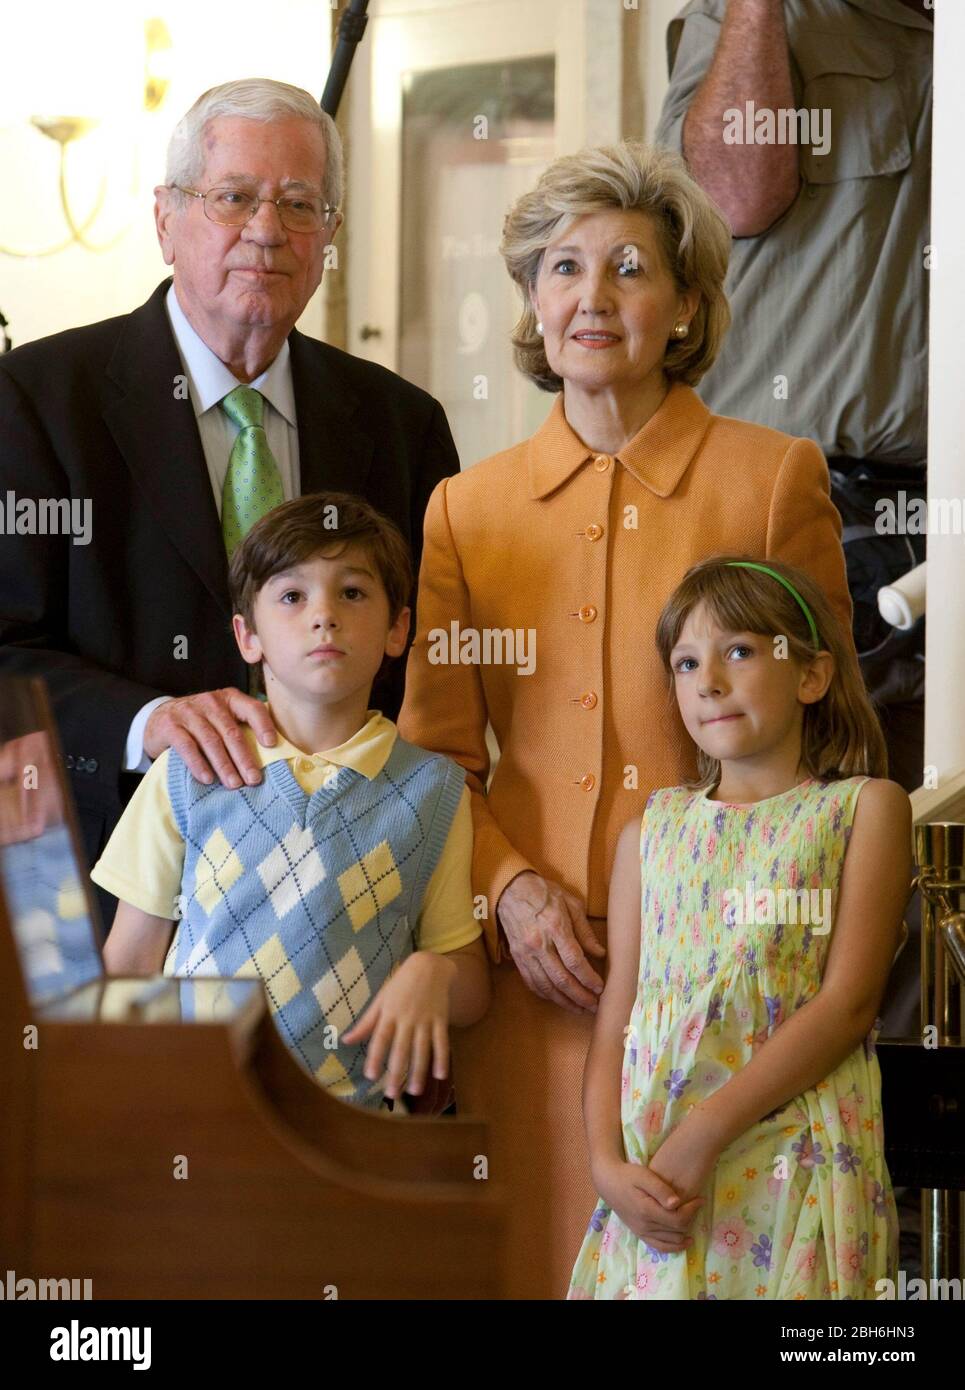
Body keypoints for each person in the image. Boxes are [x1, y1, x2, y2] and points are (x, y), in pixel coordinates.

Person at [397, 140, 854, 1297]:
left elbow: (837, 736)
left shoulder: (770, 478)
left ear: (687, 305)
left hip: (731, 998)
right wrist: (508, 889)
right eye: (560, 268)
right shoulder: (463, 509)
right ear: (530, 305)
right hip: (530, 981)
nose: (589, 297)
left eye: (628, 268)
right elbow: (432, 758)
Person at [0, 78, 459, 934]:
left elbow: (428, 672)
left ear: (329, 235)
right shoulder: (34, 400)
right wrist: (149, 722)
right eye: (233, 197)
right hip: (95, 891)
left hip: (346, 908)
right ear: (165, 218)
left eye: (298, 204)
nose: (265, 231)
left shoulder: (403, 424)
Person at [568, 555, 910, 1299]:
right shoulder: (648, 832)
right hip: (655, 1176)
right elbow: (615, 1016)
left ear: (811, 675)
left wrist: (704, 1135)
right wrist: (605, 1165)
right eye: (686, 662)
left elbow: (846, 1004)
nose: (707, 680)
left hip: (796, 1158)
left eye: (739, 652)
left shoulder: (862, 810)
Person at [93, 493, 488, 1110]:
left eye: (352, 593)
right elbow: (128, 963)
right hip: (188, 1117)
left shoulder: (433, 792)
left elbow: (468, 983)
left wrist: (435, 973)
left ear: (397, 628)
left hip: (350, 1141)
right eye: (292, 596)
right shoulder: (186, 771)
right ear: (247, 636)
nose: (323, 615)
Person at [653, 0, 933, 794]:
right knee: (806, 814)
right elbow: (730, 195)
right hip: (802, 503)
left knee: (935, 829)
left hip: (942, 502)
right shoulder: (752, 17)